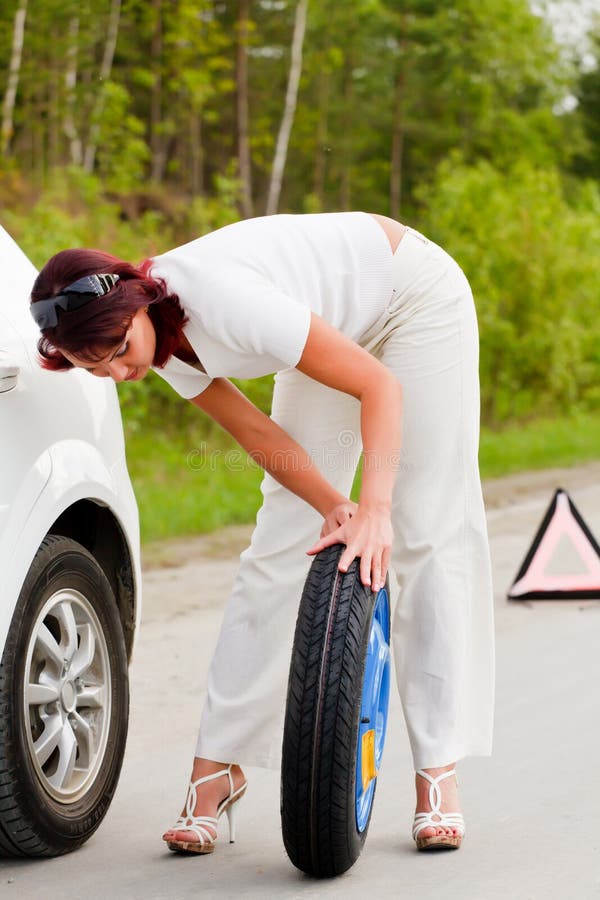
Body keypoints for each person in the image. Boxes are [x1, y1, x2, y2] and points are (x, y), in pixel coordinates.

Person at [30, 212, 494, 854]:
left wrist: (376, 507)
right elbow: (257, 436)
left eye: (117, 353)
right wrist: (336, 505)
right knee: (282, 536)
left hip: (412, 298)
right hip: (328, 321)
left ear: (135, 304)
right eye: (96, 366)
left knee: (421, 529)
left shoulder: (220, 300)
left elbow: (376, 385)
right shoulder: (156, 340)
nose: (118, 374)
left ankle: (437, 772)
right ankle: (218, 765)